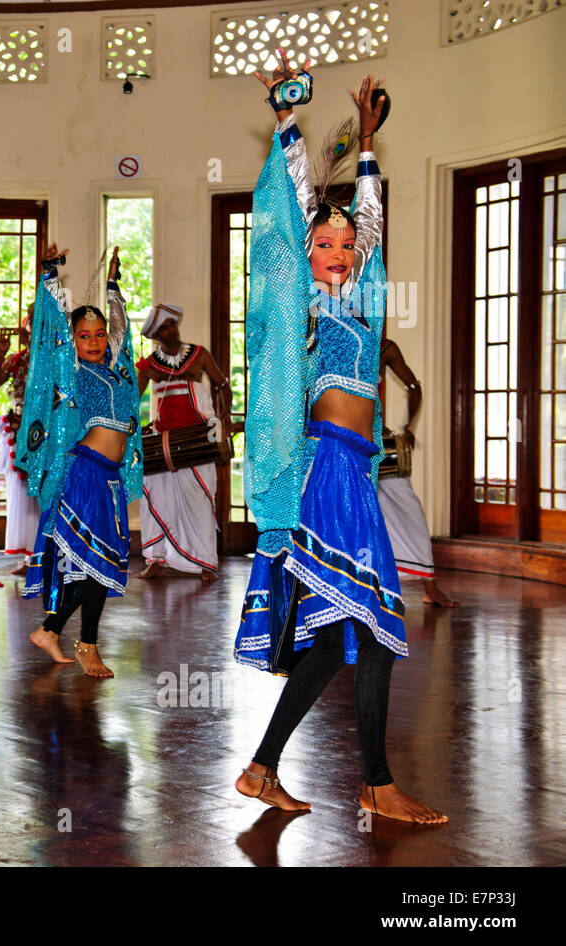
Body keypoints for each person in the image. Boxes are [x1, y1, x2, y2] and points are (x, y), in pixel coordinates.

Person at [232, 57, 446, 824]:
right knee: (376, 629)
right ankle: (375, 784)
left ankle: (262, 769)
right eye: (325, 243)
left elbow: (372, 222)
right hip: (324, 469)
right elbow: (290, 219)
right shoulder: (301, 309)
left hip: (359, 474)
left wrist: (367, 152)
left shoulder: (365, 297)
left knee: (338, 638)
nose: (338, 251)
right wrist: (289, 123)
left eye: (347, 244)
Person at [19, 245, 144, 679]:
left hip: (108, 481)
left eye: (98, 334)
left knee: (100, 564)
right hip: (83, 474)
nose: (92, 341)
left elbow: (122, 331)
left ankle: (50, 630)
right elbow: (49, 328)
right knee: (95, 564)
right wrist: (51, 274)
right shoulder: (71, 371)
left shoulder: (117, 370)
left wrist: (113, 289)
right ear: (72, 340)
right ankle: (86, 644)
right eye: (83, 335)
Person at [135, 303, 231, 583]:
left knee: (199, 498)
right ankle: (156, 559)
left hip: (196, 438)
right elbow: (132, 399)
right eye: (163, 327)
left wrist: (223, 411)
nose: (170, 330)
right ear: (155, 335)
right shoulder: (149, 365)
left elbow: (221, 384)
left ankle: (206, 565)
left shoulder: (199, 354)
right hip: (164, 439)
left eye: (172, 324)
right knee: (154, 496)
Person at [377, 338, 459, 606]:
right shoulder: (329, 337)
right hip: (337, 439)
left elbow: (414, 387)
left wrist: (409, 425)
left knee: (408, 508)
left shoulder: (384, 347)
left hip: (376, 441)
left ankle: (430, 587)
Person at [0, 314, 38, 574]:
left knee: (43, 495)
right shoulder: (16, 361)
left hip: (46, 434)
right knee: (22, 495)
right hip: (19, 430)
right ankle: (29, 556)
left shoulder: (55, 359)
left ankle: (44, 555)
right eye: (31, 320)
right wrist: (1, 352)